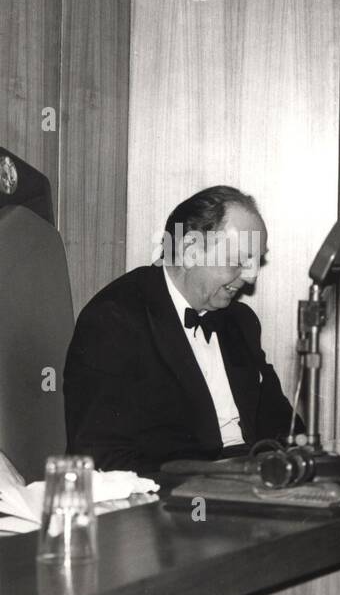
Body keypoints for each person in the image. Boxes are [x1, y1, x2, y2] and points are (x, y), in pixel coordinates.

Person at [64, 186, 299, 474]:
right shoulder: (113, 319)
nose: (251, 277)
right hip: (174, 499)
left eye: (256, 261)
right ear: (190, 251)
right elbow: (100, 457)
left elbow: (285, 426)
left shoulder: (241, 320)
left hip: (251, 486)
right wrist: (215, 477)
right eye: (240, 260)